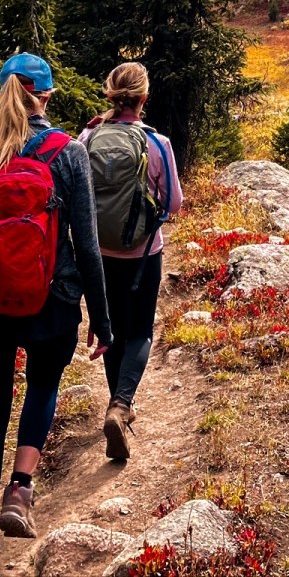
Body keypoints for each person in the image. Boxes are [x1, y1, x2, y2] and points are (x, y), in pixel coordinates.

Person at [0, 53, 113, 576]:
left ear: (2, 90)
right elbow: (89, 246)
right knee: (43, 386)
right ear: (46, 96)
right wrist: (101, 318)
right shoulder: (68, 153)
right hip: (53, 300)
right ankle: (21, 489)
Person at [80, 63, 183, 461]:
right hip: (143, 253)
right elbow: (173, 204)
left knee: (111, 332)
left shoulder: (88, 136)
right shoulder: (157, 143)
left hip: (97, 254)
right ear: (143, 98)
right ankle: (121, 406)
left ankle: (116, 404)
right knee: (139, 331)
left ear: (110, 95)